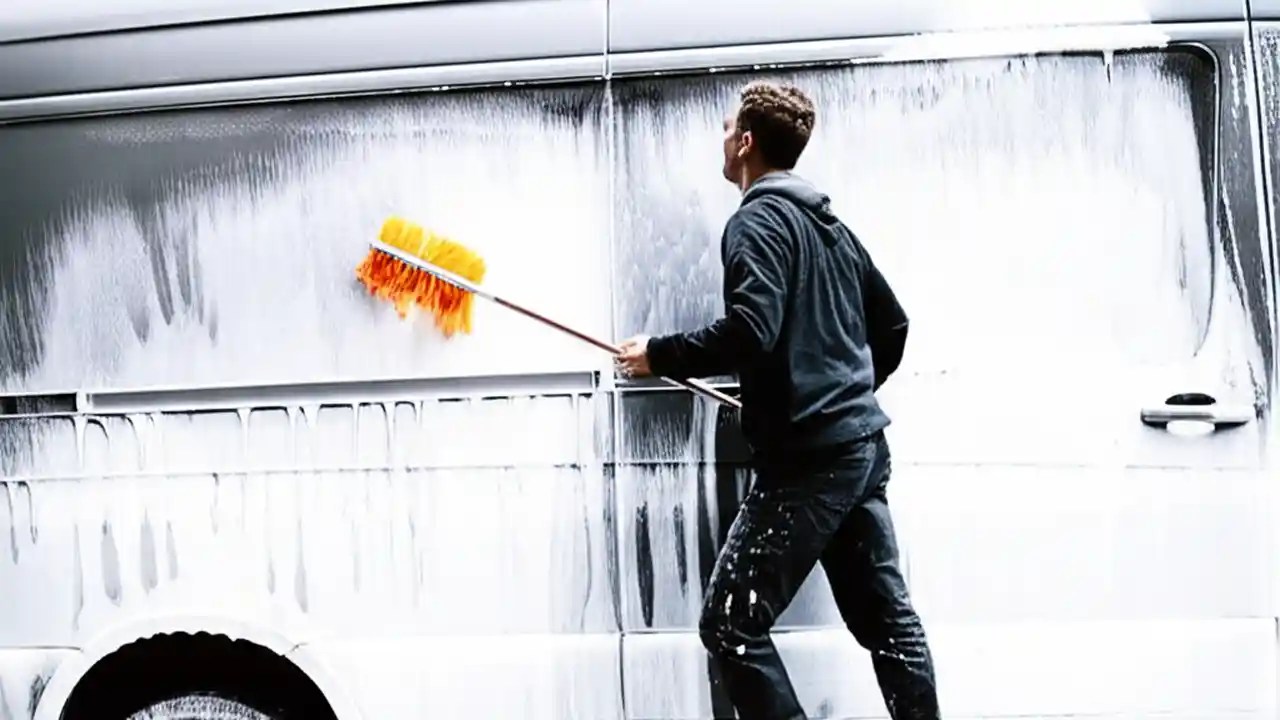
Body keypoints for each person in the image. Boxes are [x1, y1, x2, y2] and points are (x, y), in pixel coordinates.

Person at [614, 80, 941, 720]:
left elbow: (750, 331)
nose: (723, 135)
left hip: (810, 464)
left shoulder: (756, 221)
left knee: (730, 624)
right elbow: (892, 327)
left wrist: (659, 353)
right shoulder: (831, 228)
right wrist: (834, 394)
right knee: (888, 624)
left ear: (746, 142)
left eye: (728, 125)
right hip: (861, 450)